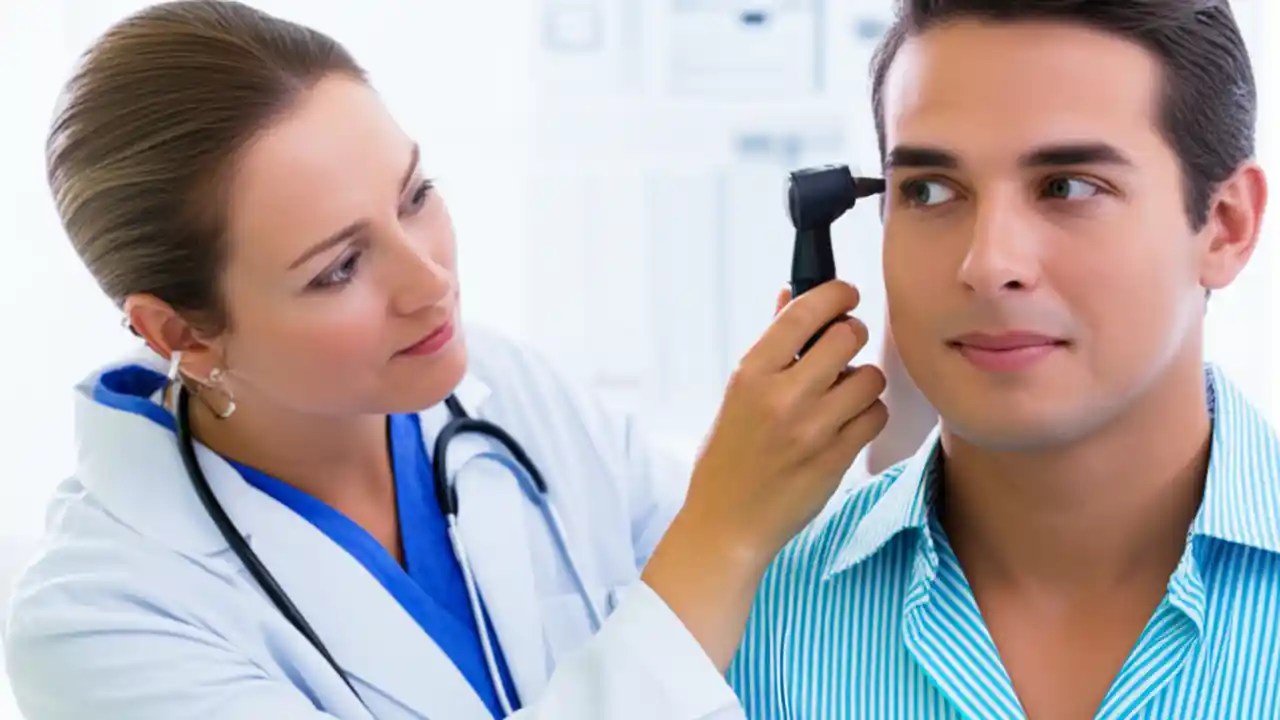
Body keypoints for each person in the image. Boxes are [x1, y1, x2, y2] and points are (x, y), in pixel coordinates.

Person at [1, 2, 900, 718]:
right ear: (178, 334)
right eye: (339, 268)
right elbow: (704, 573)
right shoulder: (101, 625)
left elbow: (765, 635)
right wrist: (724, 529)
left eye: (416, 194)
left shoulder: (508, 395)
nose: (429, 280)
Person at [728, 1, 1278, 718]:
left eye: (1069, 186)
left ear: (1227, 227)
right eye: (929, 191)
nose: (988, 264)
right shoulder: (744, 630)